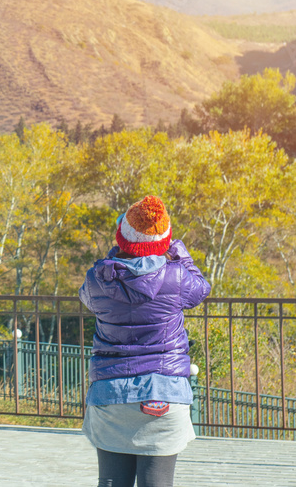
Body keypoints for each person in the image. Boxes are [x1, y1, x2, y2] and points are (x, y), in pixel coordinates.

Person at [79, 195, 211, 487]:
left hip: (110, 393)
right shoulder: (175, 278)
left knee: (111, 482)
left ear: (121, 238)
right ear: (164, 242)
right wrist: (180, 254)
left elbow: (88, 299)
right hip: (163, 394)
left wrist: (116, 256)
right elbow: (201, 289)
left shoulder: (97, 279)